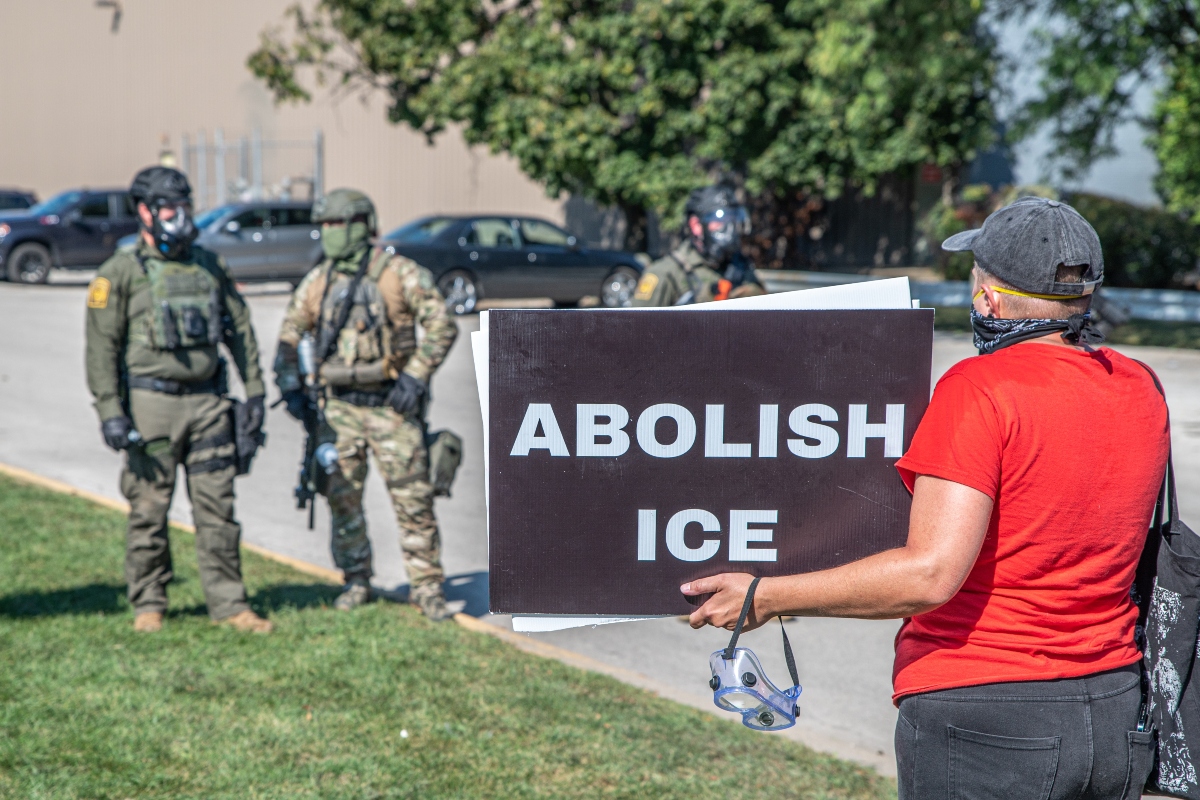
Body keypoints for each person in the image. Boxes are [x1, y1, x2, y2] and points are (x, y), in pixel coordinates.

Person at [683, 197, 1170, 798]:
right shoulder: (1140, 384)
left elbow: (930, 575)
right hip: (1114, 708)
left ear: (989, 298)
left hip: (986, 717)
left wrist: (765, 596)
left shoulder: (979, 390)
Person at [85, 166, 271, 634]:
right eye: (169, 207)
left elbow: (240, 331)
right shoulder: (120, 272)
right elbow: (101, 349)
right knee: (149, 510)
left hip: (209, 406)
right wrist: (110, 412)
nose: (179, 216)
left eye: (184, 206)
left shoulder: (209, 265)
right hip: (152, 410)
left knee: (218, 511)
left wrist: (254, 394)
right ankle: (149, 602)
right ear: (144, 211)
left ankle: (230, 605)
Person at [274, 188, 459, 620]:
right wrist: (292, 388)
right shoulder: (320, 280)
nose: (329, 233)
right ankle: (356, 578)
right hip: (339, 411)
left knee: (414, 502)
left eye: (337, 224)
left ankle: (427, 588)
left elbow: (441, 323)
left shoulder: (399, 273)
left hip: (391, 406)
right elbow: (289, 335)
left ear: (361, 225)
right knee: (341, 498)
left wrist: (416, 375)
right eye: (325, 225)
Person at [630, 182, 765, 306]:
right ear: (696, 226)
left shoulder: (742, 268)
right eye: (721, 220)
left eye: (733, 219)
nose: (730, 228)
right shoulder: (666, 273)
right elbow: (636, 329)